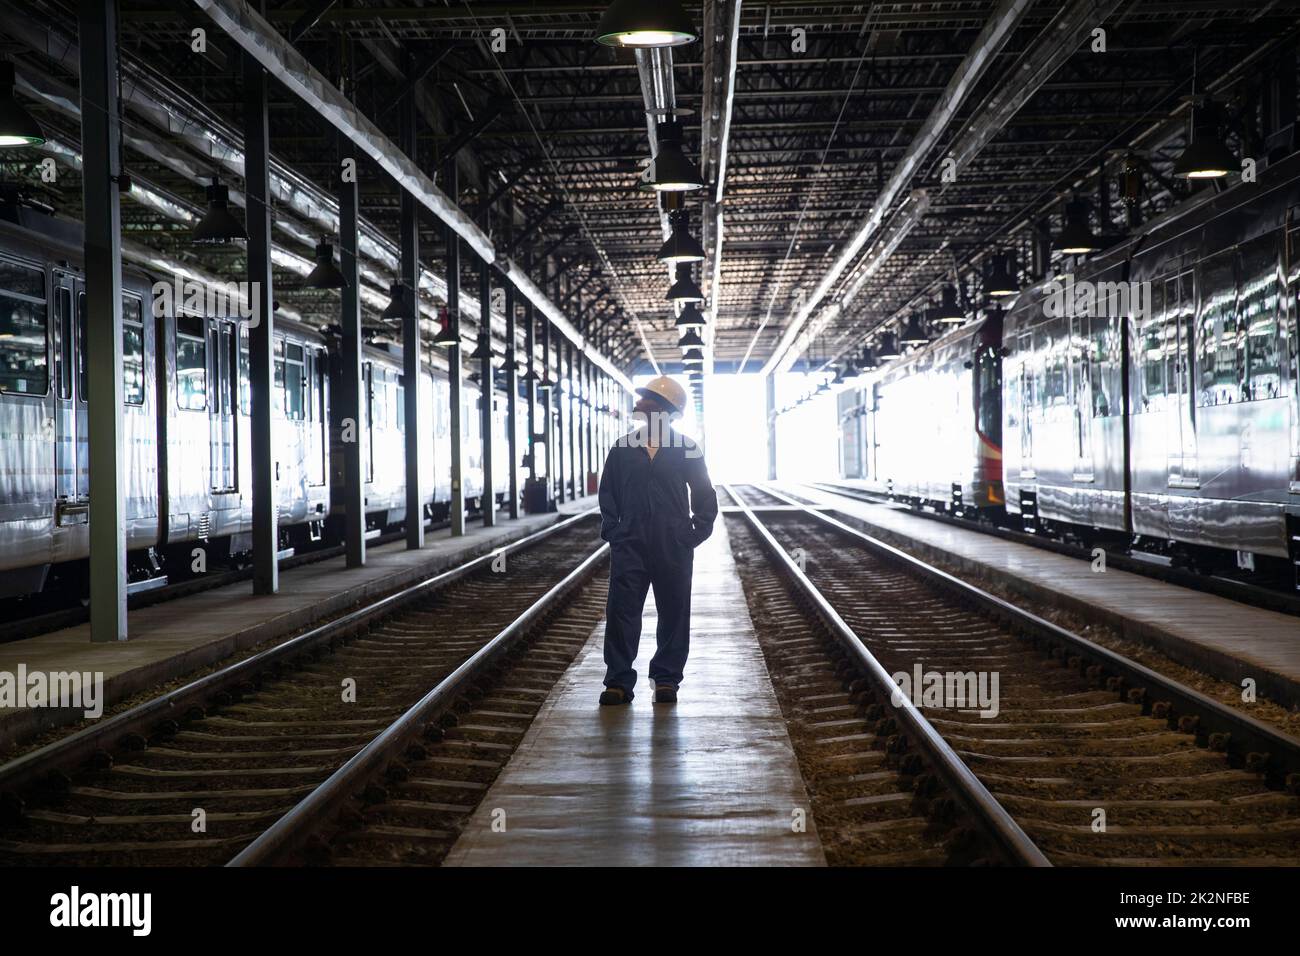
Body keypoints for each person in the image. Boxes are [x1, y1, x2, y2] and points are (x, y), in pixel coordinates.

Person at [597, 375, 718, 705]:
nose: (638, 404)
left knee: (674, 612)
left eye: (646, 399)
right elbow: (607, 496)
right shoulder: (622, 449)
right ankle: (618, 682)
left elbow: (705, 497)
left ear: (664, 410)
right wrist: (615, 533)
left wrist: (691, 536)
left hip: (672, 545)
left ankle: (666, 679)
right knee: (622, 613)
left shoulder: (687, 449)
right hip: (631, 544)